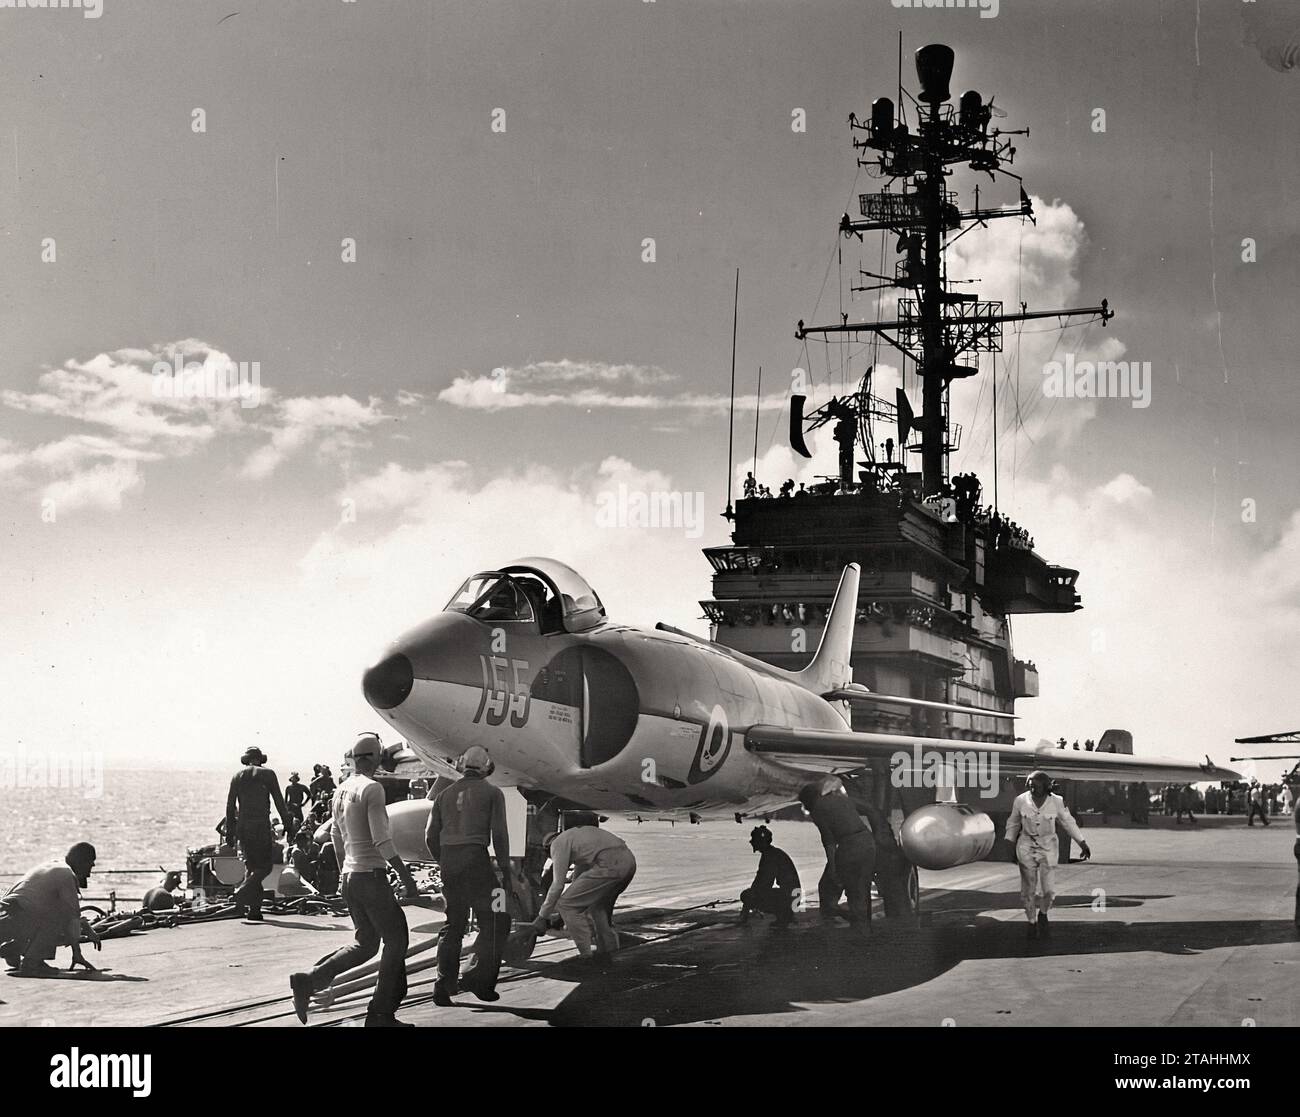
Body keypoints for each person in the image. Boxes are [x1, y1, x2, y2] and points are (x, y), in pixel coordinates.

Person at [290, 733, 417, 1028]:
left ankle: (308, 981)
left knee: (367, 942)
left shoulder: (342, 789)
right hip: (371, 877)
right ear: (375, 757)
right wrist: (406, 876)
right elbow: (382, 840)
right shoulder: (373, 789)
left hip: (351, 877)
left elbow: (334, 835)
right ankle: (381, 1014)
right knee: (397, 940)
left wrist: (342, 874)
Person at [426, 745, 513, 1005]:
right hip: (477, 862)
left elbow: (430, 836)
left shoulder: (444, 794)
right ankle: (477, 977)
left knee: (453, 924)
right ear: (487, 767)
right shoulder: (493, 793)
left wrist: (444, 862)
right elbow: (499, 834)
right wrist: (507, 874)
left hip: (450, 864)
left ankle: (443, 984)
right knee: (498, 919)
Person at [531, 812, 636, 961]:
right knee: (598, 910)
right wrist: (562, 918)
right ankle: (610, 953)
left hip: (611, 864)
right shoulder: (576, 840)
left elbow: (558, 885)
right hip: (627, 862)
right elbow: (578, 881)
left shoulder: (557, 844)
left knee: (566, 904)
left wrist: (542, 916)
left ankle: (586, 954)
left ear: (547, 848)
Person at [1005, 771, 1091, 941]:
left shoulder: (1056, 802)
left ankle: (1043, 913)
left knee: (1049, 891)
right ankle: (1031, 922)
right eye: (1029, 784)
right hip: (1026, 845)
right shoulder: (1021, 800)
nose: (1031, 788)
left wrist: (1081, 842)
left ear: (1046, 787)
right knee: (1028, 890)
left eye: (1035, 785)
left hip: (1048, 846)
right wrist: (1009, 843)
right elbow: (1013, 822)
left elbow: (1068, 822)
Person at [0, 843, 101, 976]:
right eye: (90, 862)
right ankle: (33, 962)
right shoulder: (67, 875)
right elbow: (72, 918)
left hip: (6, 917)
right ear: (81, 862)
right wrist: (77, 954)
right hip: (16, 919)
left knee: (48, 912)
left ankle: (16, 948)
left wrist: (85, 926)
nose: (92, 866)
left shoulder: (52, 865)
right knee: (59, 917)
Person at [224, 747, 290, 922]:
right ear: (260, 759)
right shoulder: (268, 774)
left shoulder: (237, 776)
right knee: (265, 867)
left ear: (247, 760)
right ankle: (243, 890)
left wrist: (230, 832)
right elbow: (279, 801)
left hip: (243, 826)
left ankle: (254, 910)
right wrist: (289, 825)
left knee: (252, 868)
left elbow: (230, 806)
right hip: (260, 824)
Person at [799, 778, 874, 929]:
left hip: (850, 844)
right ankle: (865, 926)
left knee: (831, 888)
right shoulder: (839, 798)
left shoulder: (817, 809)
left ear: (808, 801)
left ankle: (843, 924)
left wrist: (833, 868)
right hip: (867, 841)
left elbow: (829, 842)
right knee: (862, 888)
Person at [739, 825, 801, 928]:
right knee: (752, 894)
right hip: (794, 896)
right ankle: (786, 914)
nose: (751, 842)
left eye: (754, 839)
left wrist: (749, 901)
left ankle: (785, 915)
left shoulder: (770, 856)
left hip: (792, 898)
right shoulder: (772, 853)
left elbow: (764, 883)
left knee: (747, 895)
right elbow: (761, 880)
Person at [284, 772, 310, 840]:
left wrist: (303, 803)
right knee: (289, 822)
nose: (293, 779)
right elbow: (285, 800)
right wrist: (286, 808)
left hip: (298, 807)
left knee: (300, 821)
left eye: (295, 778)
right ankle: (289, 837)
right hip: (291, 807)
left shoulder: (302, 787)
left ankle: (299, 837)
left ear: (297, 779)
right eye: (292, 778)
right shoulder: (288, 788)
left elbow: (309, 795)